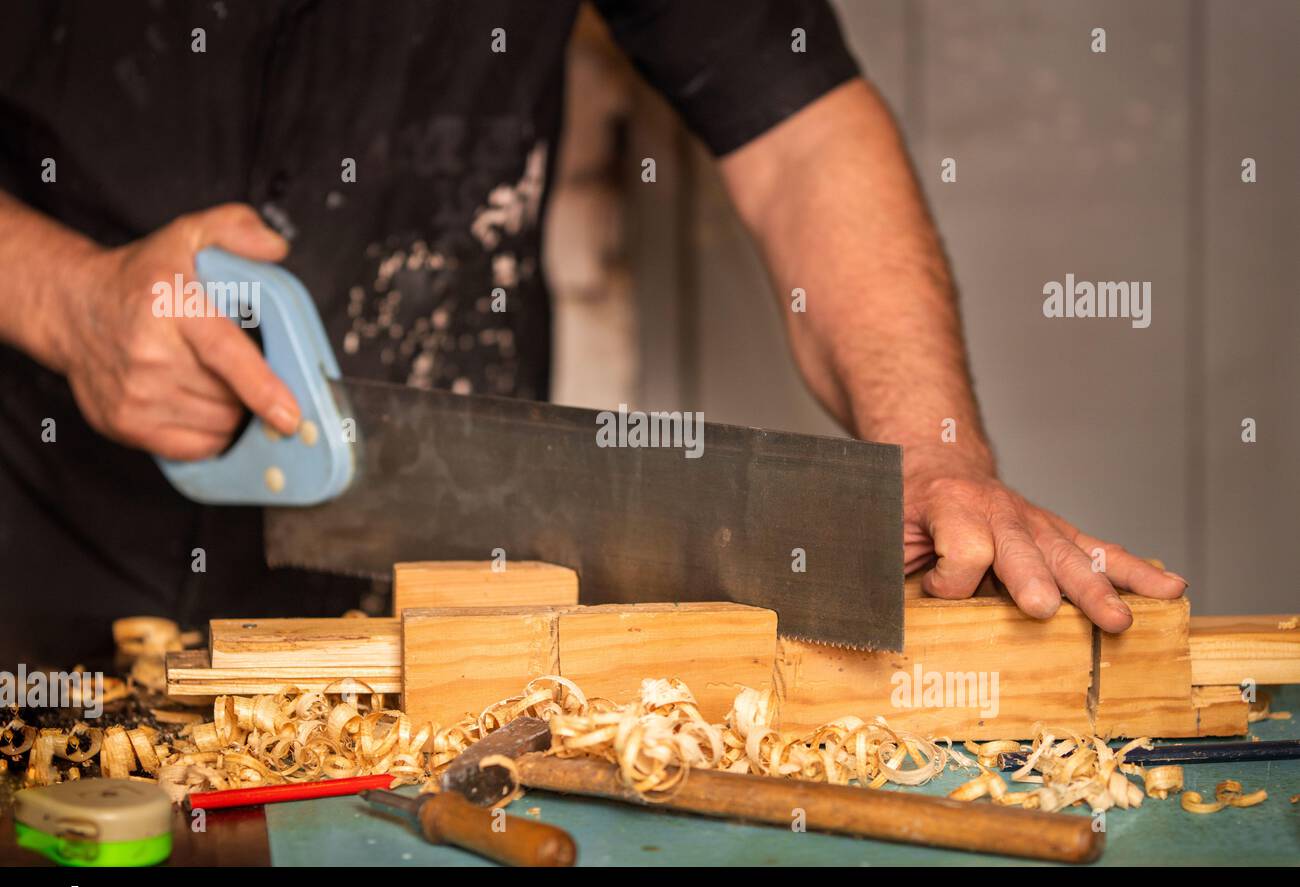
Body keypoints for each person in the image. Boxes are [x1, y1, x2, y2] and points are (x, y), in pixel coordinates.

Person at [0, 2, 1185, 665]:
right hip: (36, 513)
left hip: (432, 585)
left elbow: (802, 135)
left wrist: (929, 449)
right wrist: (66, 298)